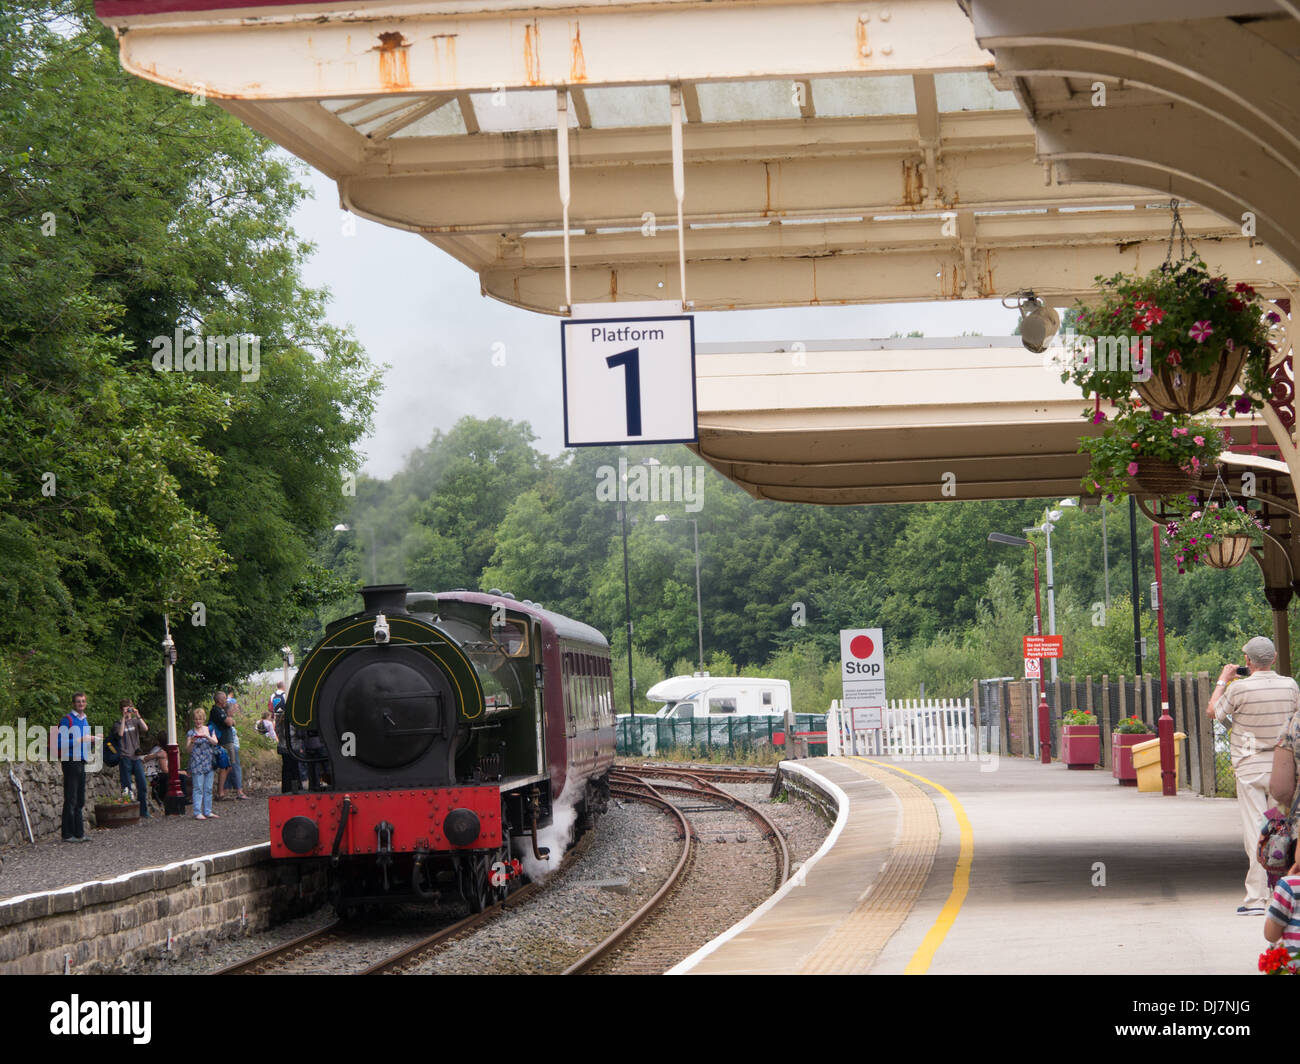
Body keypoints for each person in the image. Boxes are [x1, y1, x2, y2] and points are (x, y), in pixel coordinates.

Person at [1206, 635, 1300, 914]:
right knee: (1283, 829)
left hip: (1249, 767)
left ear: (1247, 661)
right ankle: (1282, 893)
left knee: (1255, 831)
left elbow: (1213, 711)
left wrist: (1224, 679)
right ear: (1273, 659)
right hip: (1283, 768)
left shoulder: (1238, 689)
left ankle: (1257, 898)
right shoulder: (1291, 686)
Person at [57, 692, 95, 843]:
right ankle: (67, 834)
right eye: (78, 701)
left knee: (80, 798)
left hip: (81, 761)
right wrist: (81, 739)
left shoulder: (84, 720)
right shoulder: (67, 720)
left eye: (83, 701)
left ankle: (79, 833)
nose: (81, 704)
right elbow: (60, 743)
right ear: (73, 704)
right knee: (71, 797)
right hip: (70, 760)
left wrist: (91, 742)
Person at [112, 698, 151, 819]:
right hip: (125, 757)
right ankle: (128, 812)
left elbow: (145, 728)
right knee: (126, 786)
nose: (127, 710)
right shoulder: (118, 723)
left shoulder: (135, 721)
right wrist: (124, 718)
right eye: (125, 708)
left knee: (142, 785)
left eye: (129, 707)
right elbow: (120, 734)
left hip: (136, 757)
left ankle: (143, 811)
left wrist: (137, 715)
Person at [186, 708, 220, 820]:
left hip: (209, 762)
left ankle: (208, 810)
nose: (198, 721)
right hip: (196, 763)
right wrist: (192, 742)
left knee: (208, 788)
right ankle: (197, 811)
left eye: (200, 719)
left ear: (203, 719)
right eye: (196, 719)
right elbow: (188, 750)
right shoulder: (191, 733)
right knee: (198, 788)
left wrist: (206, 736)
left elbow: (215, 742)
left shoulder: (209, 729)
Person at [219, 689, 249, 800]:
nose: (234, 710)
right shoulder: (228, 721)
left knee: (229, 768)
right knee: (236, 768)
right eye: (233, 709)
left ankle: (225, 790)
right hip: (232, 747)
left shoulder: (226, 720)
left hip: (230, 746)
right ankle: (239, 791)